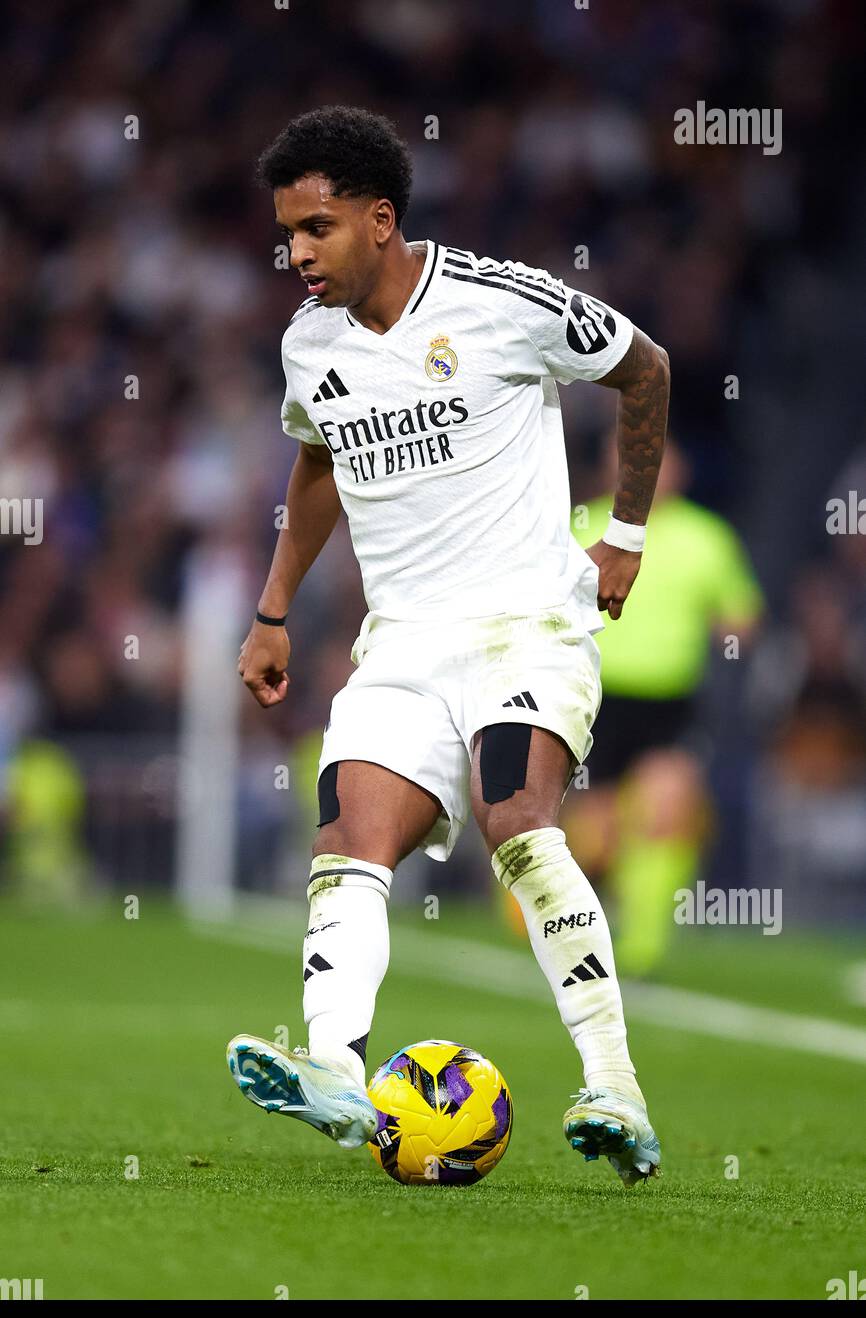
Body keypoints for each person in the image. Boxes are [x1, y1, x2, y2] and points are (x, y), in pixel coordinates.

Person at [228, 106, 670, 1187]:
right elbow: (319, 463)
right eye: (286, 234)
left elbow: (644, 368)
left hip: (525, 623)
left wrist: (622, 535)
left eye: (317, 229)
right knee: (346, 842)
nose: (297, 255)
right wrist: (275, 606)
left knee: (515, 820)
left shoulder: (496, 301)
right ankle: (334, 1070)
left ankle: (612, 1084)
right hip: (402, 645)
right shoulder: (308, 344)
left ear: (380, 221)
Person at [550, 435, 762, 975]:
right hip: (593, 697)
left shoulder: (707, 538)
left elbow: (741, 617)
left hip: (670, 702)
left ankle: (643, 950)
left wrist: (727, 641)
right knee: (594, 833)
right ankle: (575, 932)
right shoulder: (579, 526)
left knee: (667, 812)